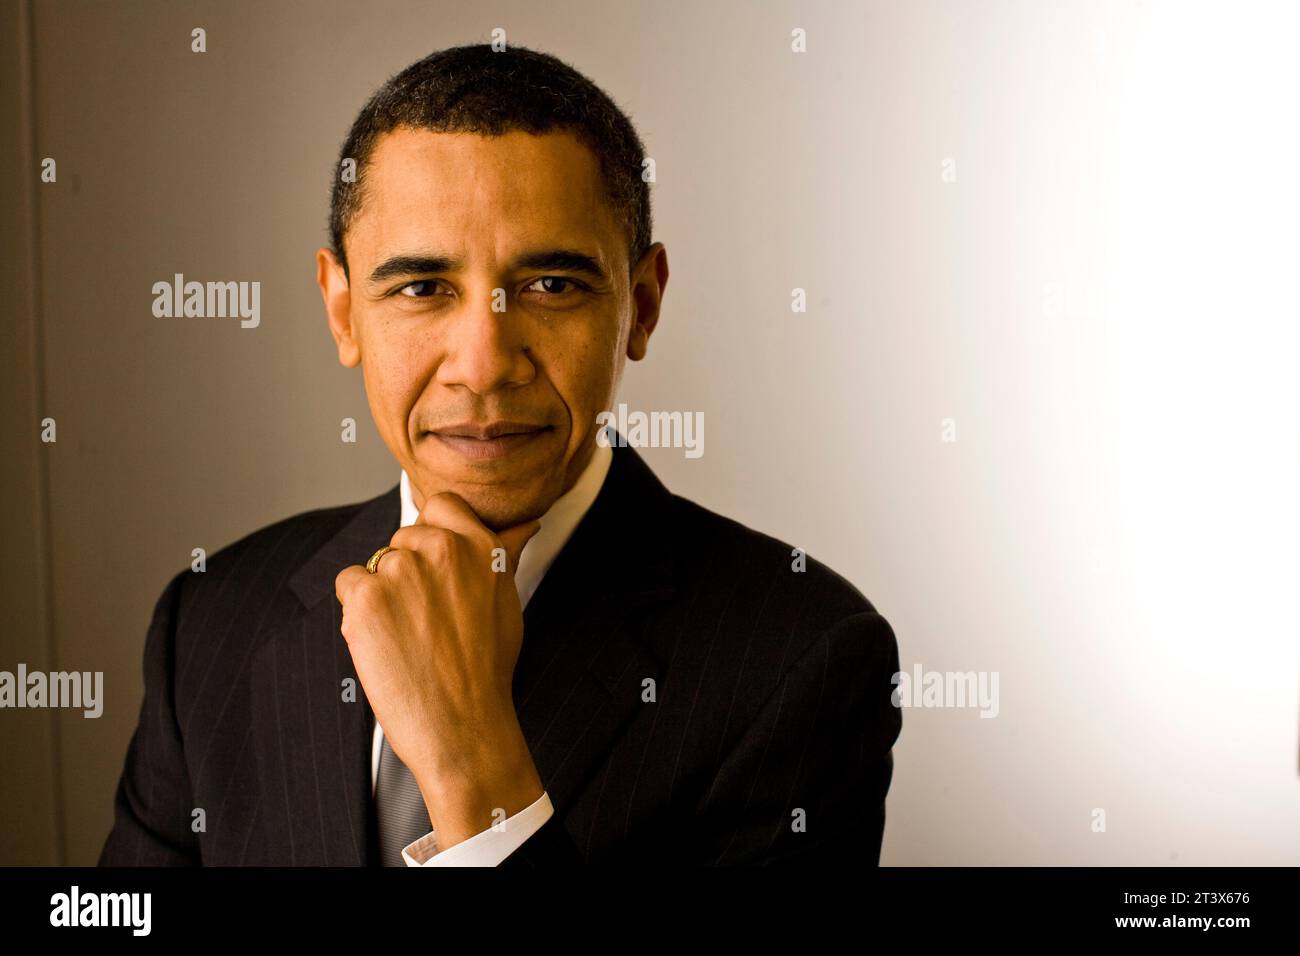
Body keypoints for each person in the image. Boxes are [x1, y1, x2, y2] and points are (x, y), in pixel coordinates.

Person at [98, 42, 901, 867]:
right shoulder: (210, 620)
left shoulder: (802, 658)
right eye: (421, 288)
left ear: (642, 308)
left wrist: (472, 770)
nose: (483, 364)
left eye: (552, 286)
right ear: (342, 312)